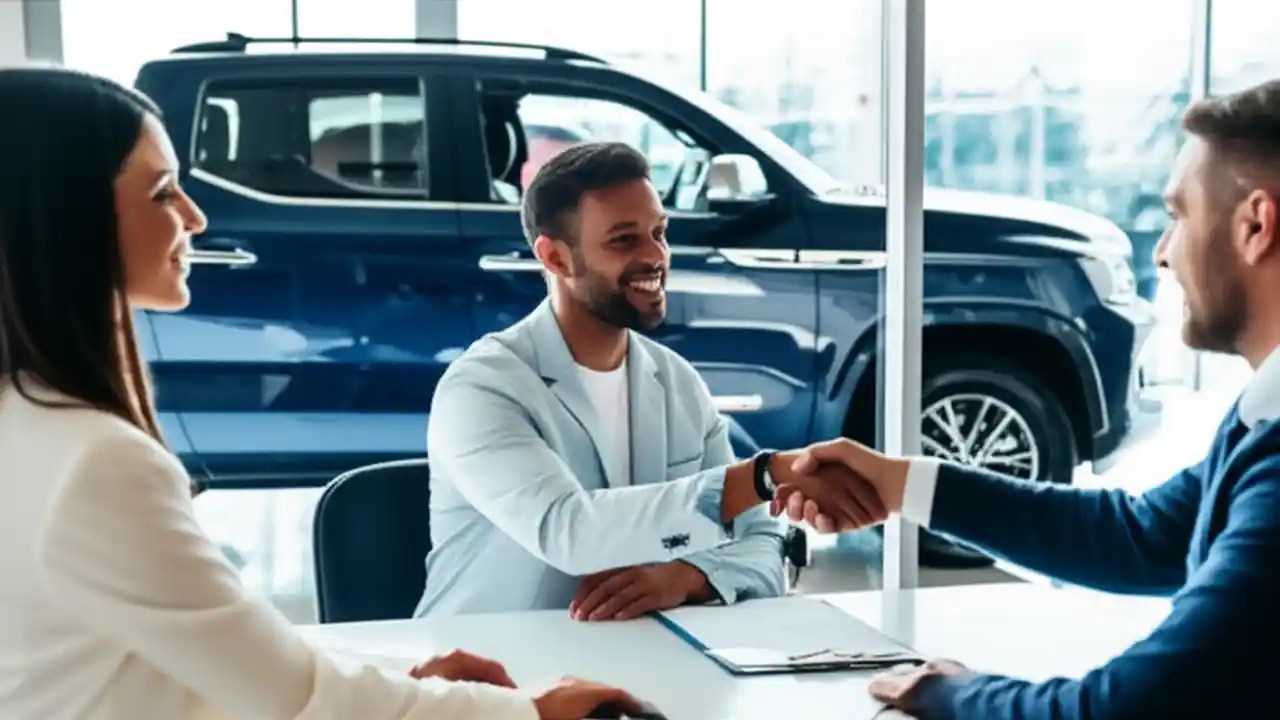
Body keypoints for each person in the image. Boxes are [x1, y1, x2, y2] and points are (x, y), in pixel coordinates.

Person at [0, 66, 652, 720]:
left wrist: (419, 684)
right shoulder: (97, 465)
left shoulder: (26, 424)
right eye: (164, 192)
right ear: (67, 212)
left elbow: (215, 662)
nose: (196, 217)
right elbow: (297, 699)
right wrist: (531, 712)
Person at [776, 79, 1280, 719]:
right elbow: (1146, 536)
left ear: (1256, 225)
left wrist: (951, 693)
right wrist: (899, 485)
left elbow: (1133, 705)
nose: (1162, 253)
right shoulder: (1261, 417)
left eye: (1179, 216)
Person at [417, 142, 881, 619]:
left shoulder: (675, 380)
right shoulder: (483, 388)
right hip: (485, 672)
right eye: (624, 240)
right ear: (555, 258)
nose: (655, 256)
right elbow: (569, 533)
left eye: (659, 233)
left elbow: (763, 541)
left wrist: (689, 578)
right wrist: (767, 475)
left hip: (637, 664)